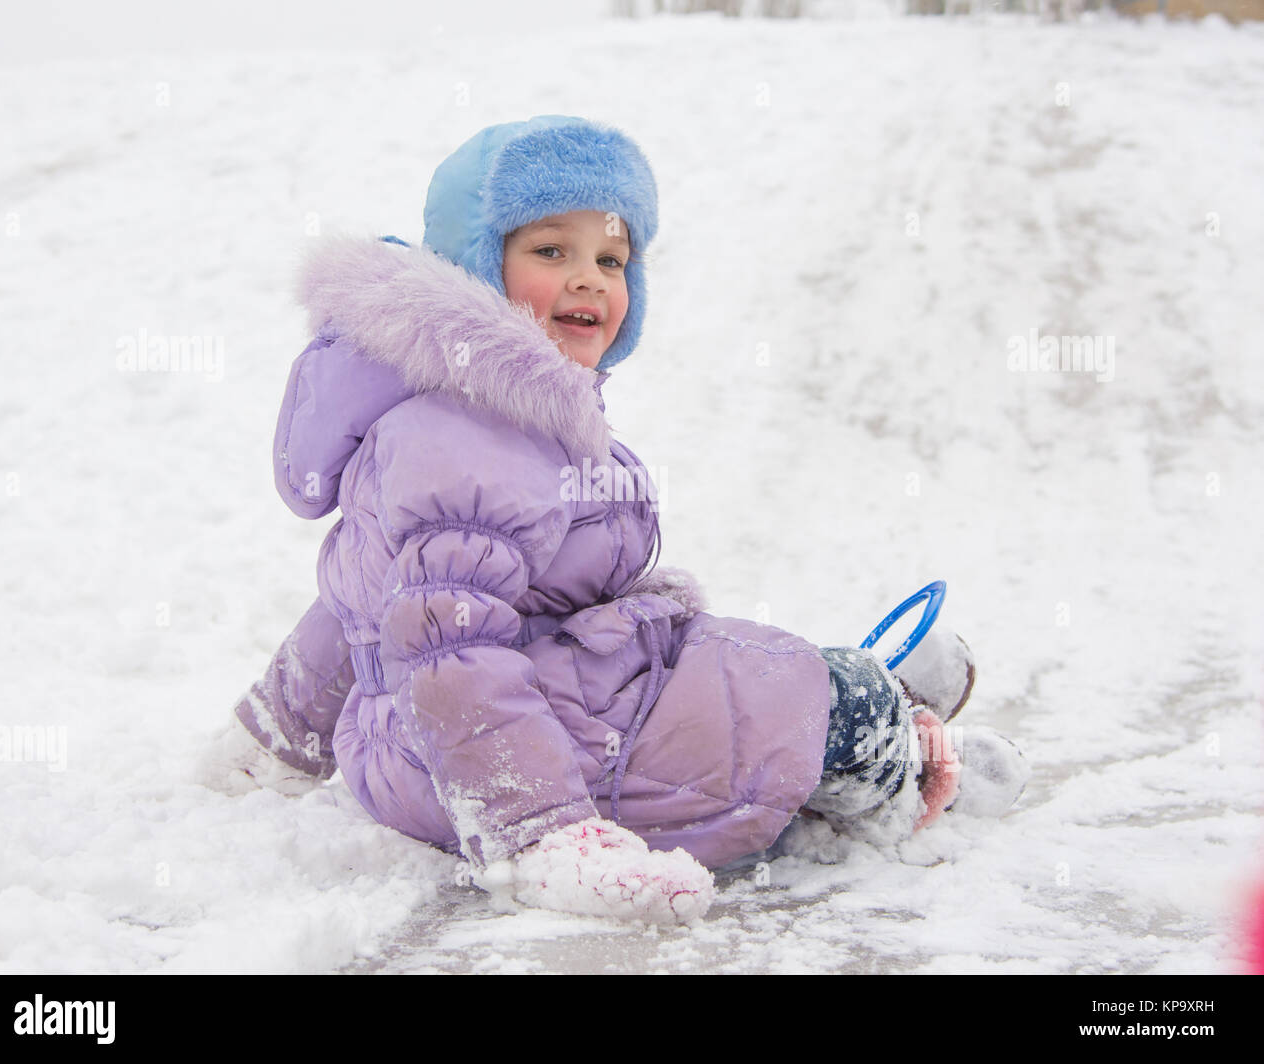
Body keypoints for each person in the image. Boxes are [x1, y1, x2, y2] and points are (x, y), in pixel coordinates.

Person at [198, 115, 1028, 924]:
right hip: (489, 761)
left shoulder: (474, 413)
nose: (591, 277)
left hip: (483, 728)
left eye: (611, 257)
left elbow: (354, 610)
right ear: (476, 272)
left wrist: (274, 735)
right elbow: (448, 652)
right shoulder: (467, 436)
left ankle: (849, 702)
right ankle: (893, 762)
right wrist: (541, 833)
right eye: (551, 251)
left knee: (722, 666)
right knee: (755, 698)